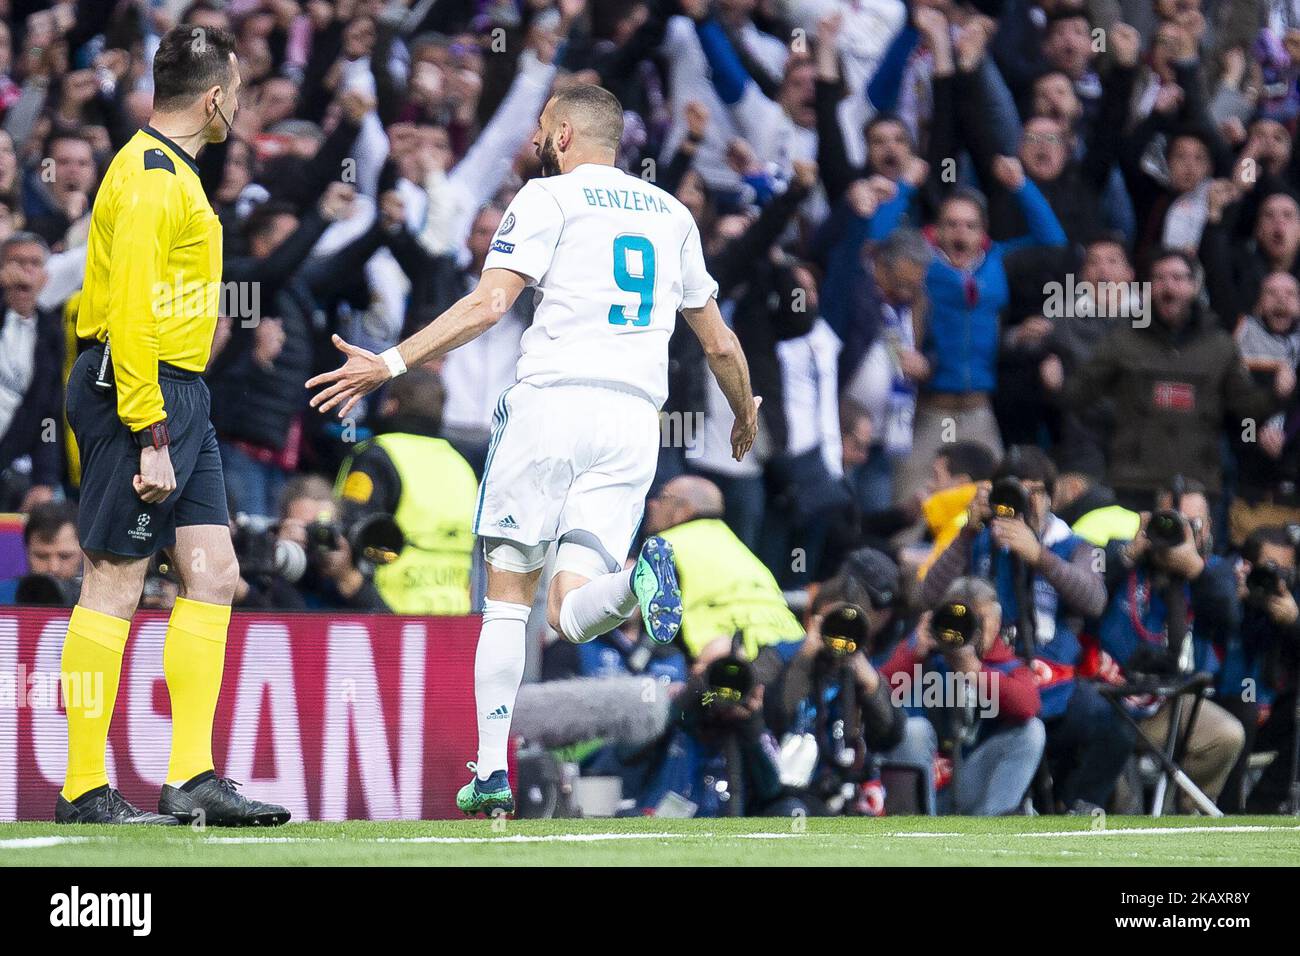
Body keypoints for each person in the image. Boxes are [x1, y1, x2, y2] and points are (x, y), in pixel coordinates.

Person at [308, 84, 760, 817]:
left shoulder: (547, 199)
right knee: (571, 608)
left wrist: (389, 363)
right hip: (633, 423)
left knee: (509, 603)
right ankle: (637, 581)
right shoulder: (675, 215)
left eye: (545, 129)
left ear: (565, 136)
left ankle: (490, 772)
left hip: (552, 405)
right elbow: (719, 341)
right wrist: (744, 414)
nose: (539, 142)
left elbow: (490, 303)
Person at [57, 27, 287, 827]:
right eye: (241, 91)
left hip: (180, 396)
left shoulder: (169, 171)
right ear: (218, 96)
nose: (241, 106)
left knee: (214, 573)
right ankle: (83, 787)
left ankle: (191, 776)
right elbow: (129, 314)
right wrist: (152, 433)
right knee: (115, 581)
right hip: (139, 395)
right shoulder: (155, 177)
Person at [335, 368, 478, 615]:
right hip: (455, 618)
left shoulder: (376, 456)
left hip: (389, 615)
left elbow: (349, 530)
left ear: (391, 405)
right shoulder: (462, 465)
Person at [643, 475, 804, 662]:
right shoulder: (739, 548)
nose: (651, 504)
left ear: (683, 510)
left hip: (727, 658)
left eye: (662, 497)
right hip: (792, 648)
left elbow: (655, 625)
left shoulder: (664, 545)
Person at [0, 500, 80, 605]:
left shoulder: (98, 603)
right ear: (27, 551)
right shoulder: (2, 597)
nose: (53, 568)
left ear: (83, 553)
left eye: (65, 556)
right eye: (42, 556)